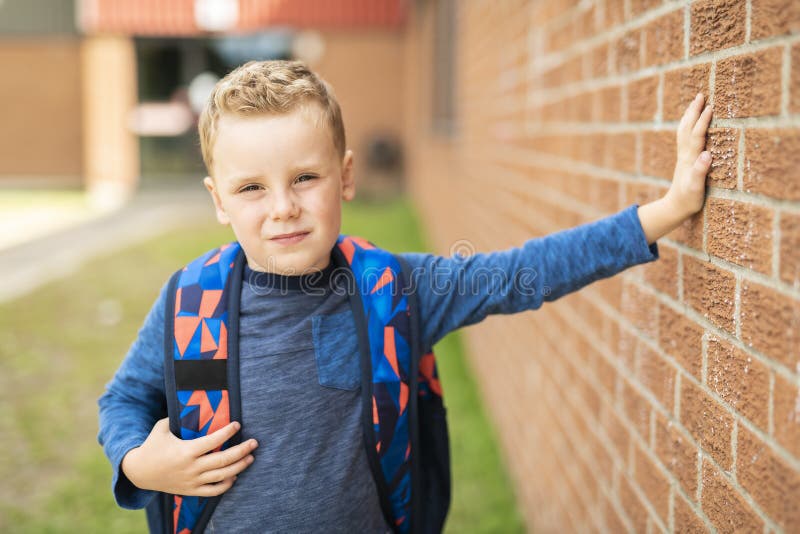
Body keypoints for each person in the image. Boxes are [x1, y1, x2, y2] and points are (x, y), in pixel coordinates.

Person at [97, 60, 714, 533]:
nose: (283, 207)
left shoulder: (395, 292)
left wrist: (667, 210)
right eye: (251, 188)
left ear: (345, 176)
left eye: (305, 178)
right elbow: (124, 399)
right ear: (218, 200)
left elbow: (524, 272)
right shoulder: (188, 303)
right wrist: (138, 463)